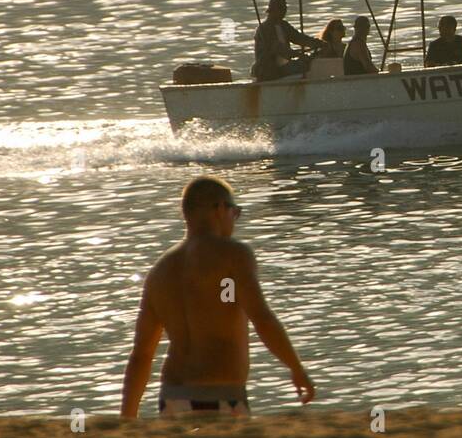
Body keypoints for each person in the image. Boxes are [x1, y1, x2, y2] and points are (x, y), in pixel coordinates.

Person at [119, 176, 315, 418]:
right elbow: (261, 317)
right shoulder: (233, 254)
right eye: (235, 211)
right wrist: (296, 368)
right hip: (221, 394)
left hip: (172, 396)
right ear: (221, 208)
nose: (235, 219)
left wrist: (127, 417)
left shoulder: (160, 270)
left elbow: (142, 354)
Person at [252, 0, 321, 81]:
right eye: (281, 8)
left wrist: (318, 43)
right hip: (269, 70)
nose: (284, 11)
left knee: (314, 61)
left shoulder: (284, 25)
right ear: (273, 10)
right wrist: (299, 54)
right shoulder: (264, 29)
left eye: (285, 8)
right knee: (304, 65)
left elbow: (299, 38)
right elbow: (279, 49)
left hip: (284, 66)